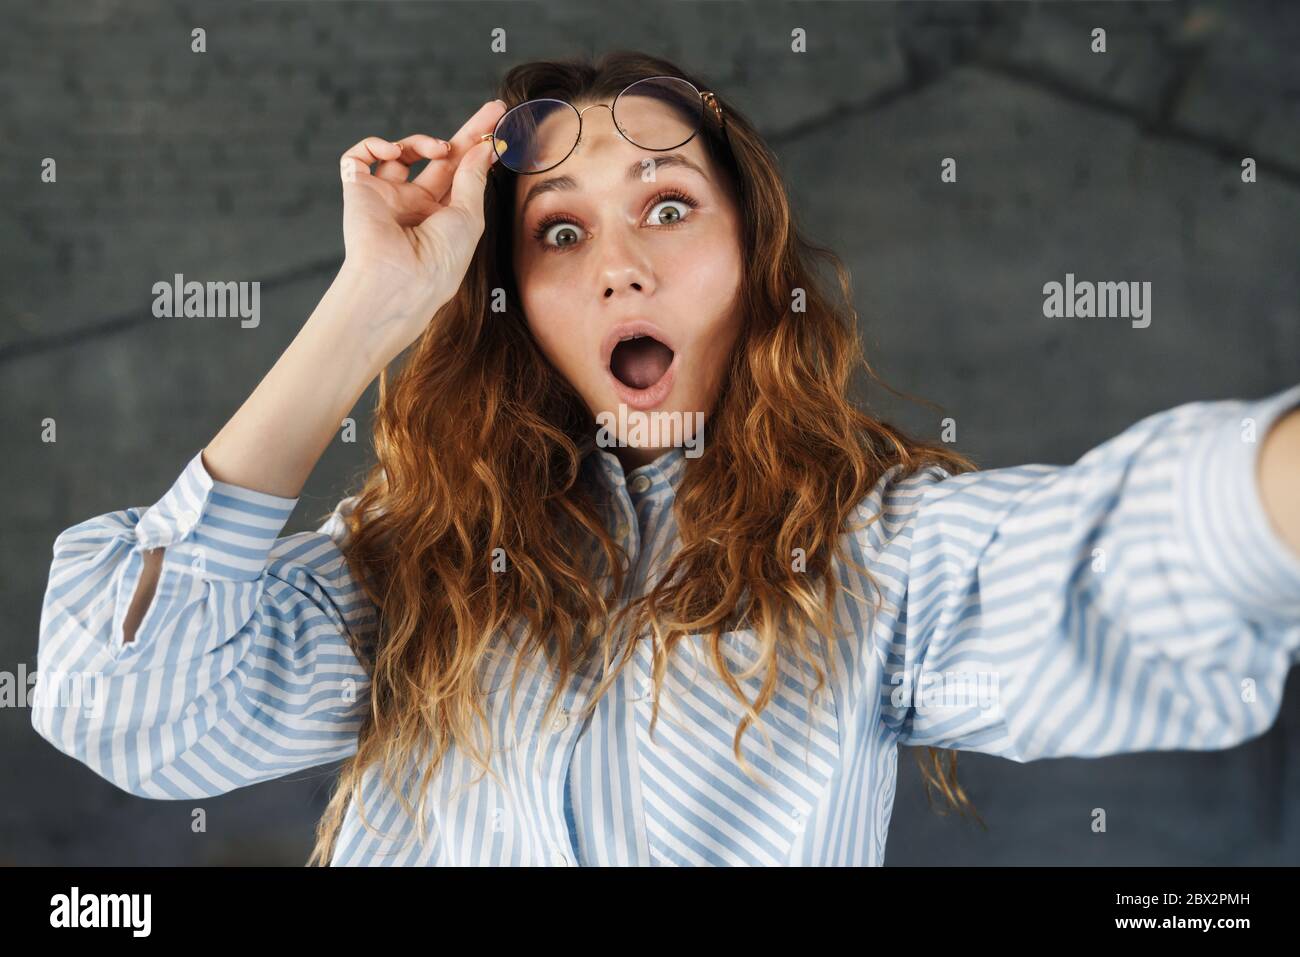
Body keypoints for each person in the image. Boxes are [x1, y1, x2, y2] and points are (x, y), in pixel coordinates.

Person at [32, 51, 1300, 867]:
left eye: (669, 206)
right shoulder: (405, 561)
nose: (620, 264)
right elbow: (128, 711)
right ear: (511, 299)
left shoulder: (875, 550)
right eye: (561, 232)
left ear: (755, 261)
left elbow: (1116, 559)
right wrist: (367, 308)